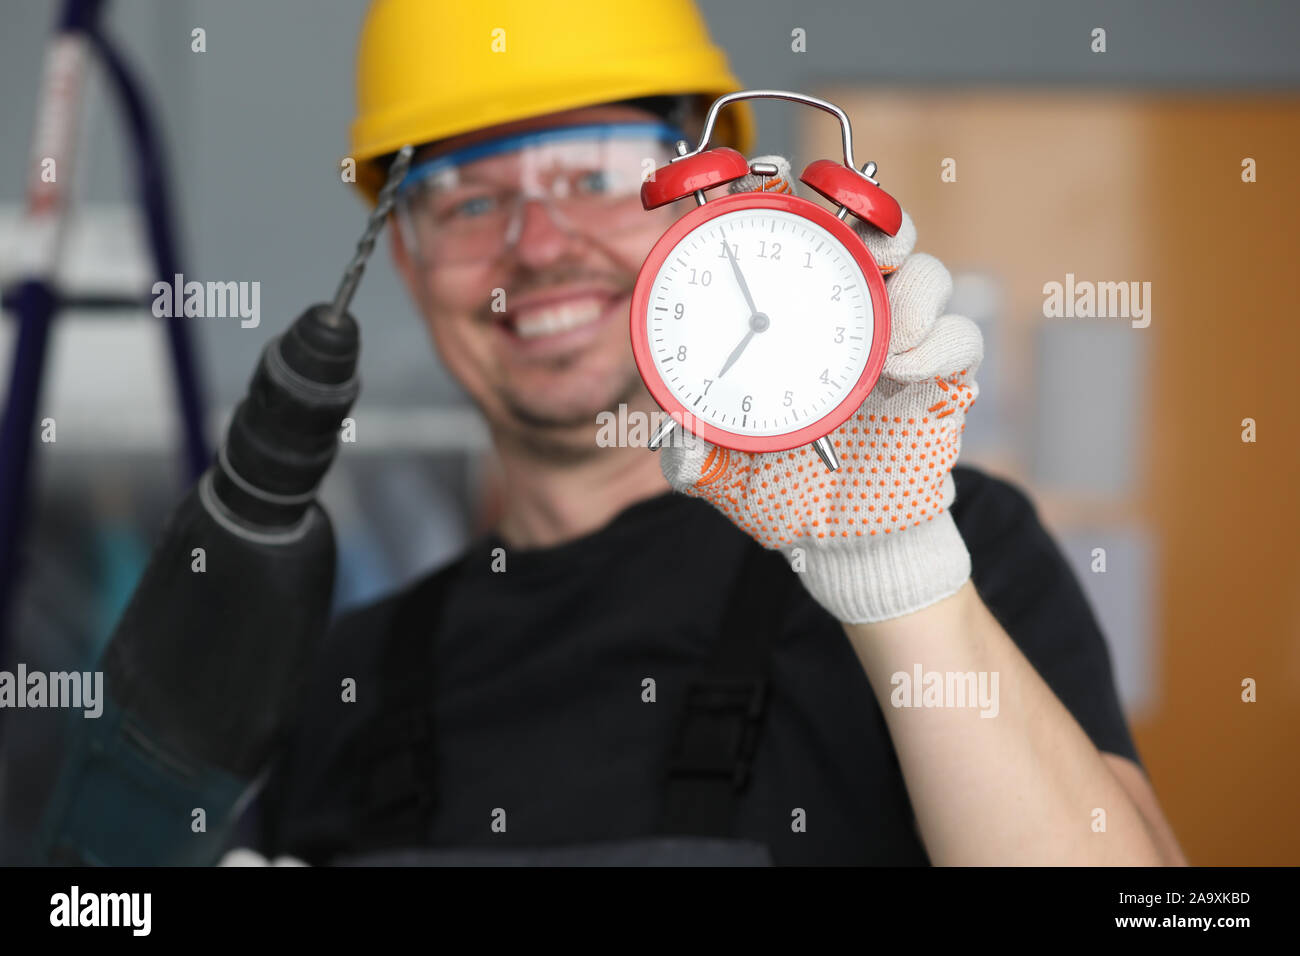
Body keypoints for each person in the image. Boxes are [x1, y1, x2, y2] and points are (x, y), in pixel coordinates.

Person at [254, 0, 1185, 865]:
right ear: (410, 266)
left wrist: (898, 578)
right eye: (468, 202)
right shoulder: (345, 676)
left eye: (595, 175)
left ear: (706, 205)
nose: (536, 246)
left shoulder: (956, 543)